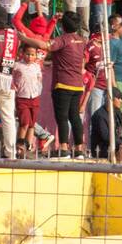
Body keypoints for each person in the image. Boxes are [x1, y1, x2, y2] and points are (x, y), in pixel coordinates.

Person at [0, 6, 51, 159]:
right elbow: (31, 42)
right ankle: (11, 154)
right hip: (8, 81)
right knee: (9, 118)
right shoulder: (14, 35)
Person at [47, 11, 88, 157]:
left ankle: (64, 148)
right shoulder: (82, 40)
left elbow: (45, 45)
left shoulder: (62, 39)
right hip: (77, 85)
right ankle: (79, 149)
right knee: (75, 117)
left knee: (62, 117)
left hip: (62, 84)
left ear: (62, 25)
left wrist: (24, 38)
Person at [13, 43, 44, 157]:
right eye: (27, 54)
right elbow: (11, 77)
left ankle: (28, 146)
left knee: (31, 124)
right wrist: (13, 86)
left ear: (36, 55)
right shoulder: (17, 65)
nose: (29, 57)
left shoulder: (36, 66)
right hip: (22, 97)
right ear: (22, 53)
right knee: (24, 123)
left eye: (32, 55)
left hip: (34, 97)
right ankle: (19, 147)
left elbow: (39, 78)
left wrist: (39, 88)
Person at [88, 86, 122, 159]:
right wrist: (120, 144)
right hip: (103, 149)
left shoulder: (117, 111)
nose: (121, 101)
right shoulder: (99, 115)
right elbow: (106, 137)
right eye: (119, 98)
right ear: (111, 99)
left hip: (120, 145)